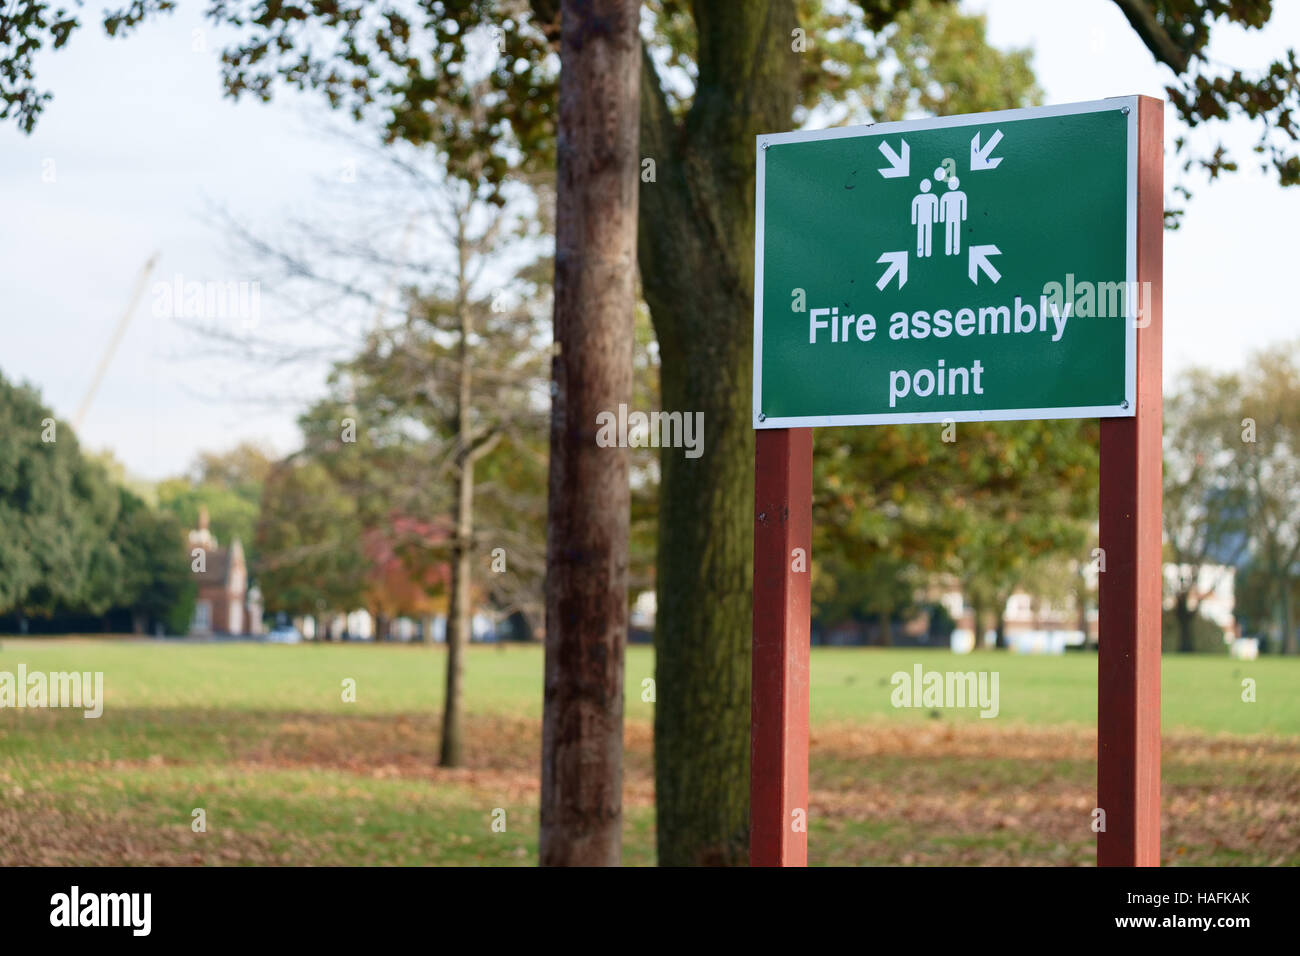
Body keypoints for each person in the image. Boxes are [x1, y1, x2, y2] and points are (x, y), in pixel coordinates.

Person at [939, 176, 968, 256]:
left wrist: (963, 217)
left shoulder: (961, 194)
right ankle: (948, 249)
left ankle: (956, 249)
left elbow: (963, 205)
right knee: (948, 232)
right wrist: (941, 218)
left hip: (957, 218)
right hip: (948, 218)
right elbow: (942, 207)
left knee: (956, 232)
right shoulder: (945, 195)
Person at [911, 179, 939, 258]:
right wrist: (914, 220)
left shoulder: (933, 197)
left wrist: (936, 219)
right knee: (921, 234)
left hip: (929, 220)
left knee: (928, 234)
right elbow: (914, 209)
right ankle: (920, 251)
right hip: (920, 220)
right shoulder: (917, 198)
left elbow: (935, 208)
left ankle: (928, 251)